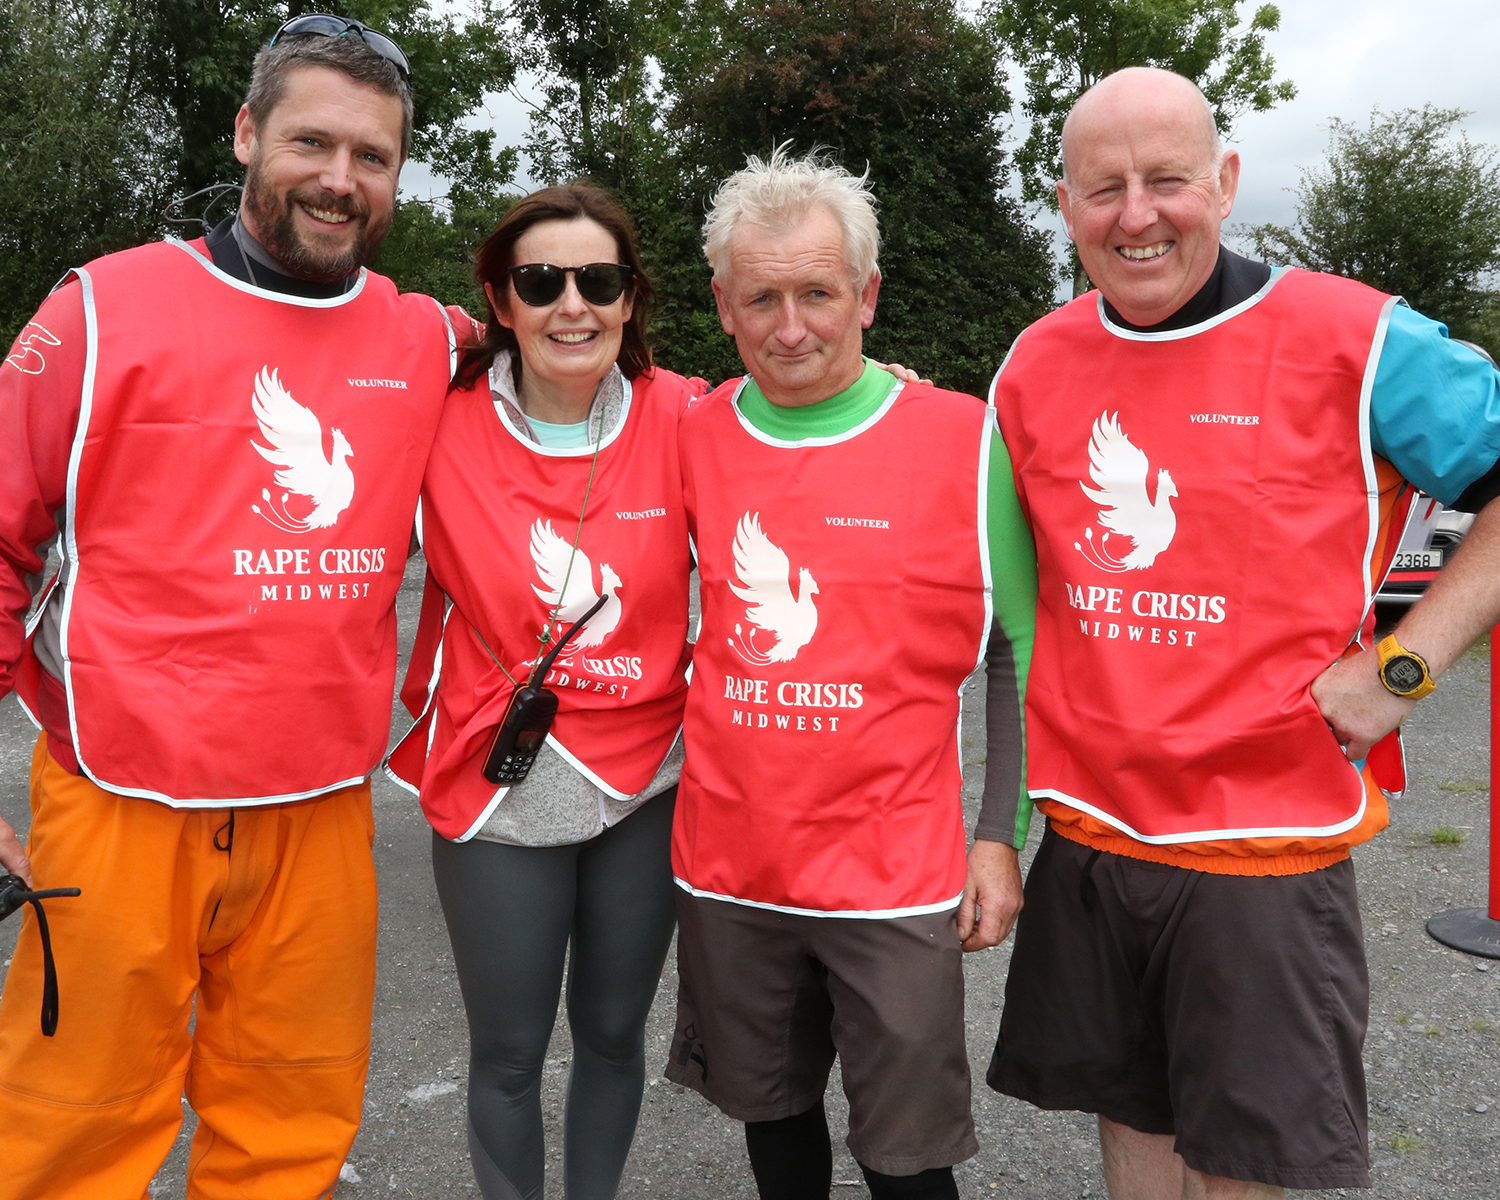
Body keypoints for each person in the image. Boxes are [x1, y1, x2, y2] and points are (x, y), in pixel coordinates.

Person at [985, 66, 1500, 1199]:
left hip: (1260, 850)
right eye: (1103, 187)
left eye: (1167, 179)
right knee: (1132, 1132)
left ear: (1222, 183)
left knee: (1242, 1171)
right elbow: (994, 599)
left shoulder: (1352, 338)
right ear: (1064, 204)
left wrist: (1404, 666)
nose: (1137, 214)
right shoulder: (1034, 363)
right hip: (1095, 836)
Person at [0, 18, 460, 1198]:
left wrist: (837, 386)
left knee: (291, 1127)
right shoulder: (99, 309)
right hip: (120, 798)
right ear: (249, 133)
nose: (339, 179)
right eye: (313, 141)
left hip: (316, 811)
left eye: (373, 156)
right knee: (70, 1129)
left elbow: (579, 355)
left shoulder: (419, 337)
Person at [664, 146, 1038, 1200]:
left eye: (818, 293)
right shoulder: (688, 433)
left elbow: (1011, 649)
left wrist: (1000, 836)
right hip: (730, 861)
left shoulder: (965, 441)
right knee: (774, 1121)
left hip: (892, 872)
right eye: (762, 297)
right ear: (723, 306)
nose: (792, 327)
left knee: (905, 1156)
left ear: (866, 296)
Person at [384, 185, 700, 1200]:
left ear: (629, 299)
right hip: (500, 779)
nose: (573, 304)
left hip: (648, 781)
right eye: (542, 281)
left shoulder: (691, 413)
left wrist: (898, 386)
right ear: (500, 299)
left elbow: (818, 438)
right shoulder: (432, 424)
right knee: (511, 1053)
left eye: (598, 281)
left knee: (614, 1037)